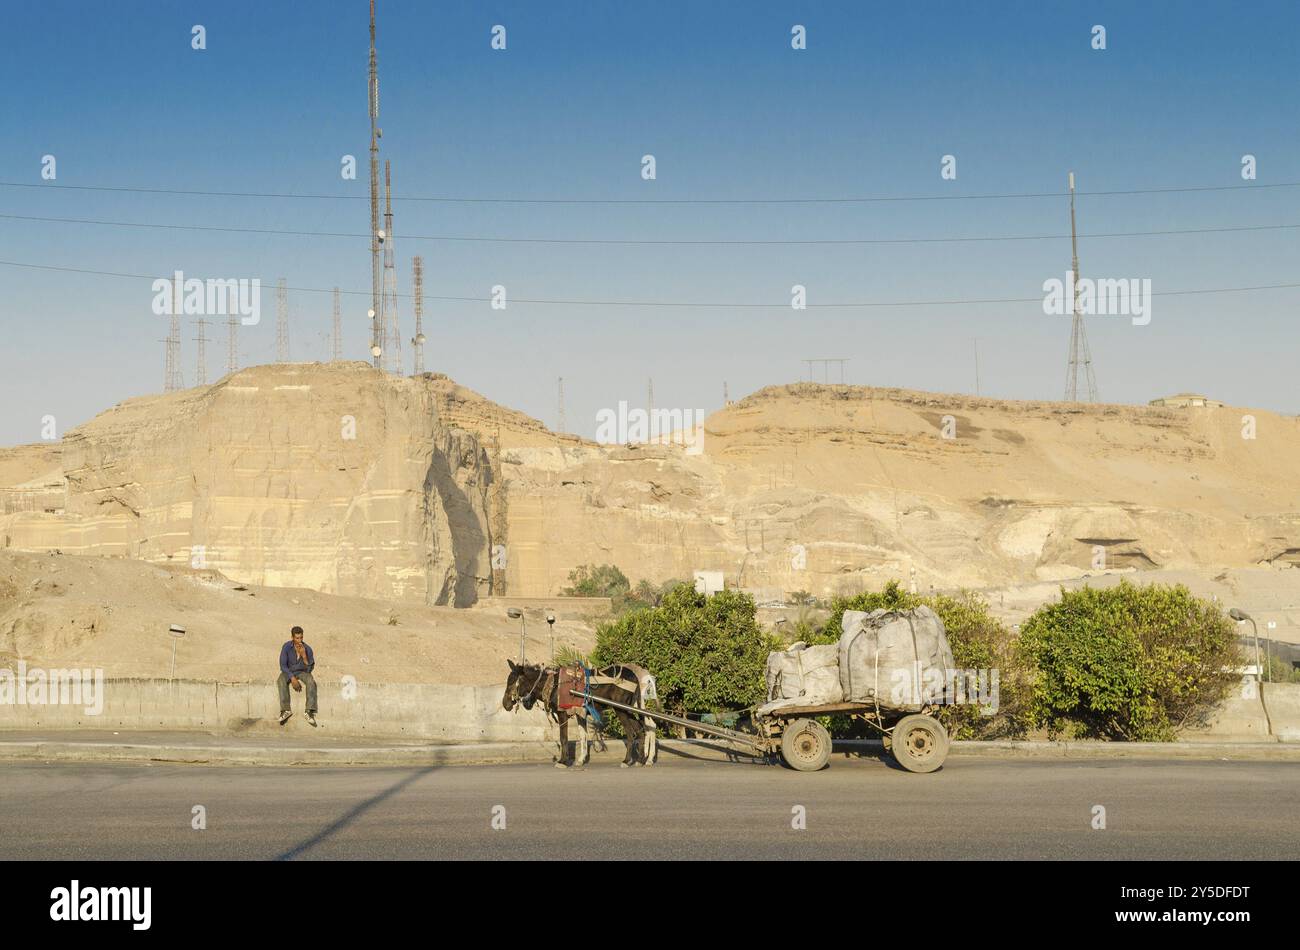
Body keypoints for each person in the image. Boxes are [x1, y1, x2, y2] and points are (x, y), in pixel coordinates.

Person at [277, 626, 318, 726]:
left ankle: (309, 711)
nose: (299, 640)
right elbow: (283, 665)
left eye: (301, 638)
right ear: (292, 637)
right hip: (289, 671)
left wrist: (304, 657)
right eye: (297, 638)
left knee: (311, 681)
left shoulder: (307, 649)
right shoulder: (286, 647)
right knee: (281, 680)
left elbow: (309, 670)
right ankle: (285, 710)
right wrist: (292, 677)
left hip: (301, 672)